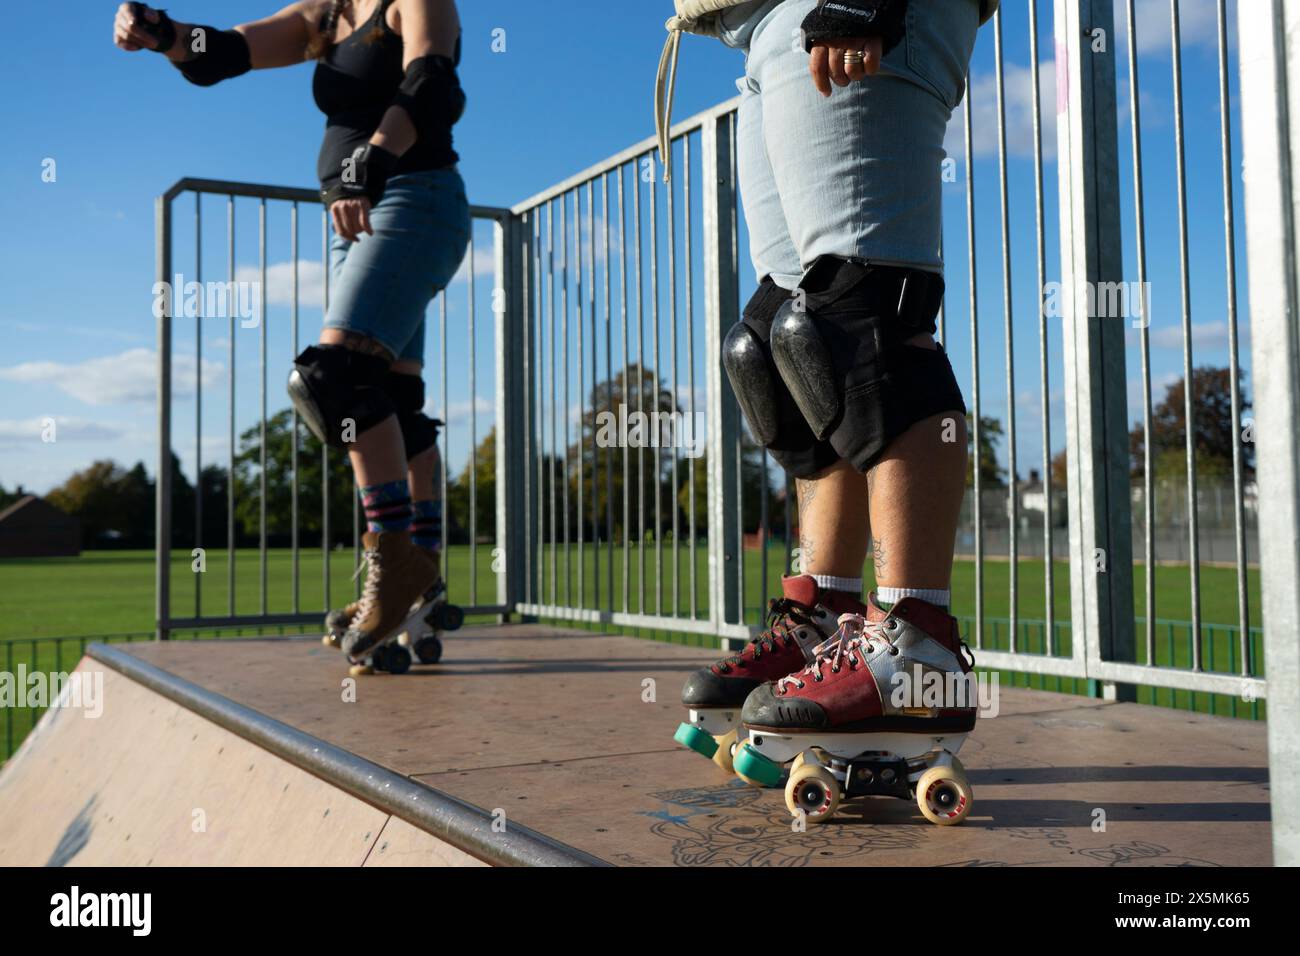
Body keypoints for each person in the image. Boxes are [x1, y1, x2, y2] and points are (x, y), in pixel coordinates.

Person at [660, 0, 994, 791]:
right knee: (785, 347)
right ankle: (825, 622)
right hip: (759, 30)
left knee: (864, 319)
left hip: (843, 10)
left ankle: (918, 644)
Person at [114, 0, 469, 670]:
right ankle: (420, 567)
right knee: (396, 406)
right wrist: (163, 33)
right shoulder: (326, 12)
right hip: (358, 219)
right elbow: (222, 50)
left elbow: (432, 84)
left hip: (413, 200)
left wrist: (370, 158)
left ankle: (394, 566)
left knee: (334, 379)